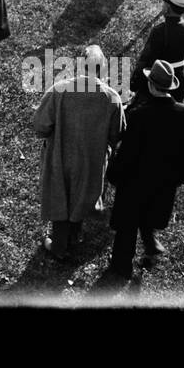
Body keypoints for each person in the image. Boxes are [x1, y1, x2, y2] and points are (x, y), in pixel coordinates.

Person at [33, 44, 125, 260]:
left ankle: (58, 247)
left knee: (60, 194)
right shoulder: (112, 98)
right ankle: (74, 236)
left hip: (60, 156)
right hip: (91, 160)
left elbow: (40, 126)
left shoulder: (59, 90)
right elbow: (117, 133)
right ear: (102, 69)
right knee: (82, 195)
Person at [106, 59, 184, 277]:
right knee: (149, 216)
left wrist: (114, 174)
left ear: (150, 85)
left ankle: (122, 266)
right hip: (164, 183)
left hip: (135, 183)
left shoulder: (139, 116)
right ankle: (151, 247)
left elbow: (127, 153)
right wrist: (181, 177)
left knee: (127, 226)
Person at [129, 0, 184, 109]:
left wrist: (134, 83)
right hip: (179, 80)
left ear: (167, 8)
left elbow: (145, 60)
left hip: (157, 79)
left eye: (164, 2)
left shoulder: (159, 31)